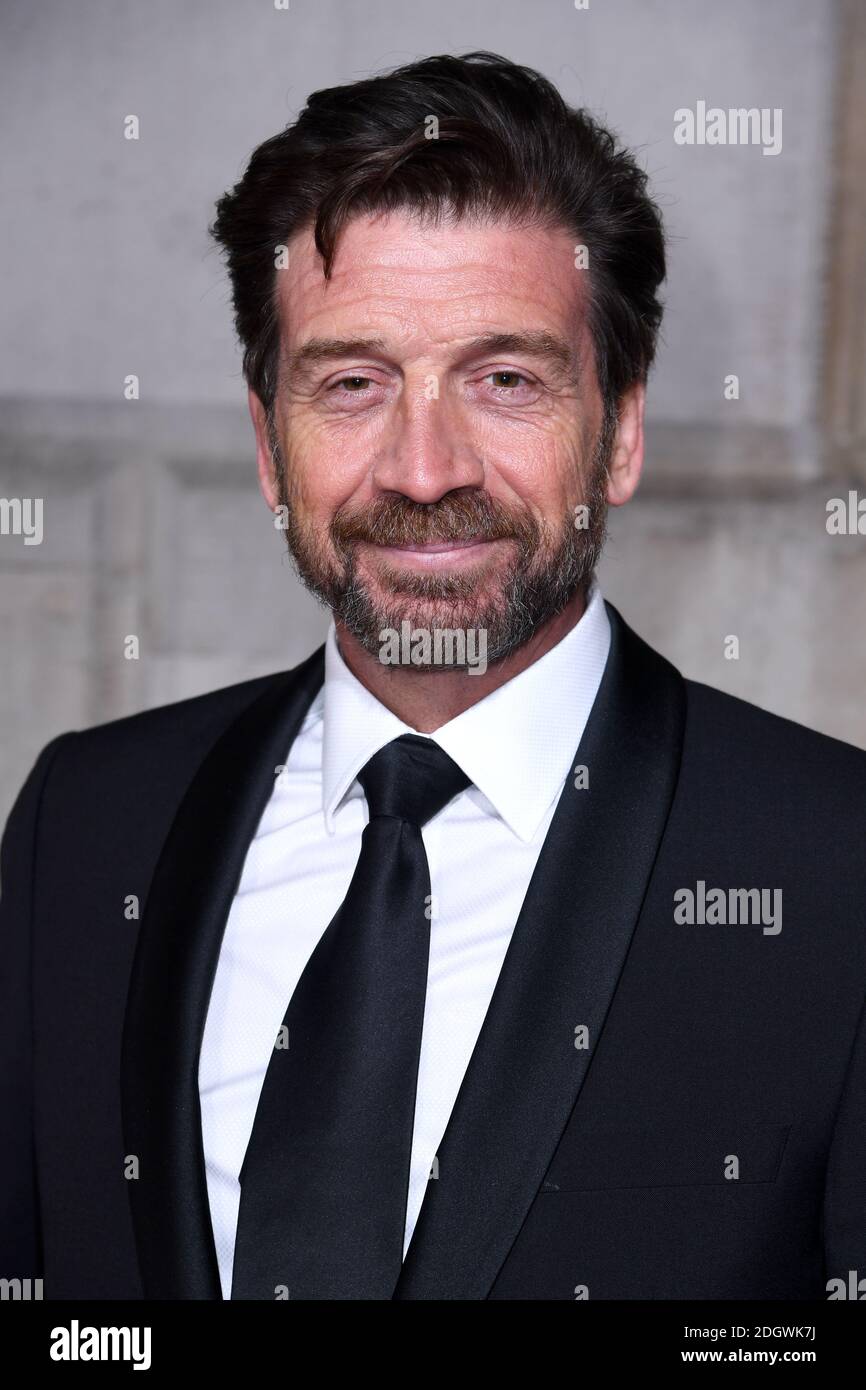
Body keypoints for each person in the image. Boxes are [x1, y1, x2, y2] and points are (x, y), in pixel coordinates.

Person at [1, 51, 864, 1302]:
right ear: (266, 447)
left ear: (618, 429)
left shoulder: (835, 869)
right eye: (350, 384)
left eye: (503, 380)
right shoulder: (84, 826)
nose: (420, 469)